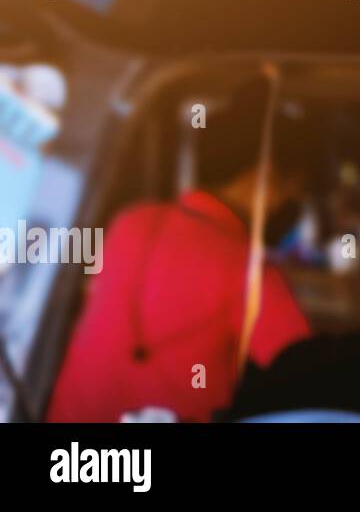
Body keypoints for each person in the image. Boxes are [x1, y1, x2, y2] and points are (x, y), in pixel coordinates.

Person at [46, 78, 313, 422]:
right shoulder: (250, 272)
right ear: (263, 178)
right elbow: (307, 374)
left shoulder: (129, 222)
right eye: (292, 191)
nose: (290, 204)